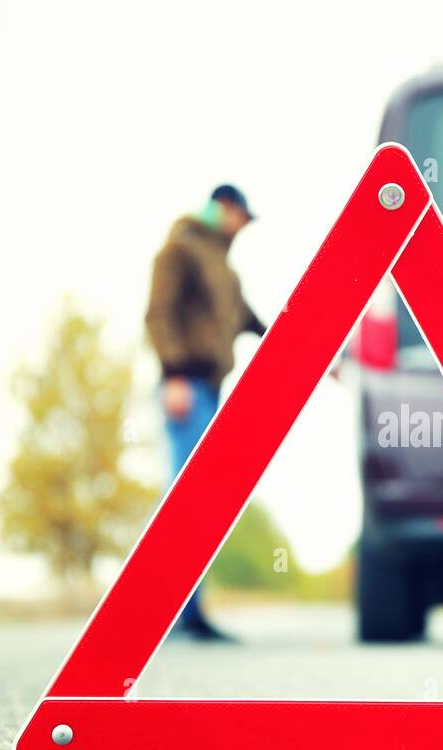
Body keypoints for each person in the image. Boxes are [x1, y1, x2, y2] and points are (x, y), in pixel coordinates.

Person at [145, 183, 265, 638]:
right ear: (224, 208)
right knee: (184, 496)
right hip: (187, 385)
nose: (243, 226)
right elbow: (158, 313)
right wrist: (174, 374)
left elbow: (245, 317)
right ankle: (166, 612)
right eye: (241, 216)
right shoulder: (181, 249)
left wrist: (300, 344)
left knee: (202, 498)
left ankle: (190, 612)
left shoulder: (221, 263)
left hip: (212, 389)